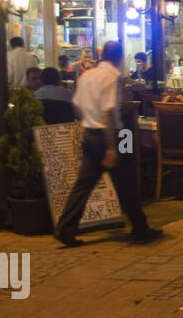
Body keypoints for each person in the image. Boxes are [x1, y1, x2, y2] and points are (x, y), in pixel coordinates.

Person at [52, 41, 161, 246]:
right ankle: (140, 228)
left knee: (82, 186)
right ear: (119, 57)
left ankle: (65, 228)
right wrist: (112, 148)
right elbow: (108, 112)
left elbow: (76, 104)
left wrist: (88, 123)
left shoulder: (87, 75)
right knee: (127, 181)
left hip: (89, 133)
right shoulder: (111, 77)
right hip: (115, 136)